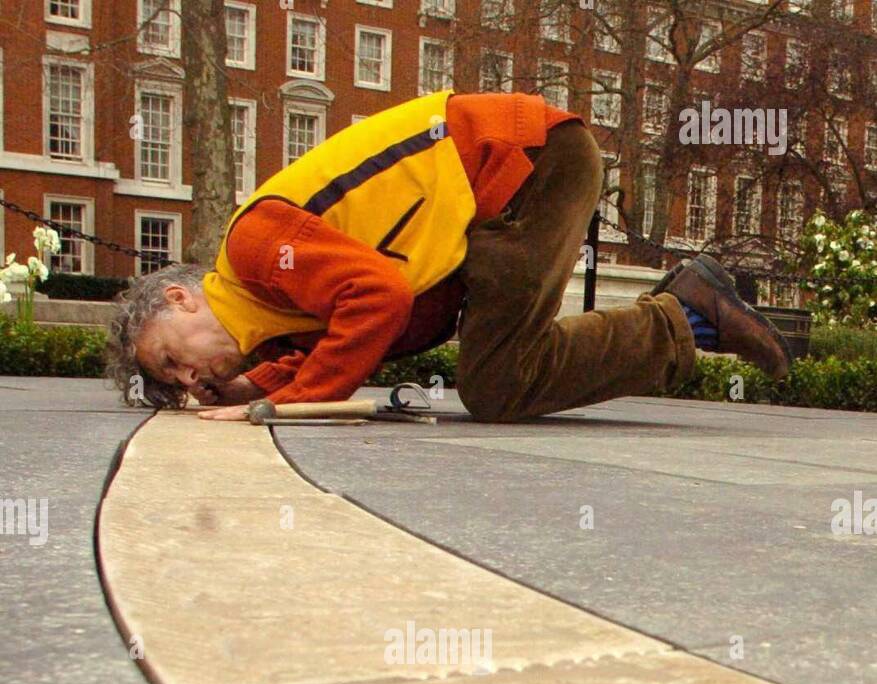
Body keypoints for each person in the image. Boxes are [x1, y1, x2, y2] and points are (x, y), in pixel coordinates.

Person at [105, 89, 790, 424]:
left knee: (497, 383)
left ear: (179, 298)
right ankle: (687, 314)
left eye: (172, 359)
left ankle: (684, 316)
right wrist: (264, 385)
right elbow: (337, 334)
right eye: (179, 383)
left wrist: (291, 405)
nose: (191, 376)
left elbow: (376, 301)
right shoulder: (268, 305)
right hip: (499, 191)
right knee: (499, 379)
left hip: (525, 165)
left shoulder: (254, 250)